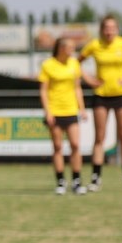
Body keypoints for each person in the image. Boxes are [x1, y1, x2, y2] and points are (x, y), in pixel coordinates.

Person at [79, 15, 122, 192]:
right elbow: (76, 62)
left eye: (112, 28)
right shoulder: (94, 45)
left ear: (117, 29)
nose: (109, 31)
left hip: (121, 95)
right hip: (101, 95)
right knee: (100, 137)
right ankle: (96, 178)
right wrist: (88, 79)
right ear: (102, 29)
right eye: (106, 28)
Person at [38, 36, 89, 195]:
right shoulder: (48, 65)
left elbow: (77, 88)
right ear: (61, 48)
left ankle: (76, 180)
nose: (73, 51)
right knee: (58, 147)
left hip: (71, 110)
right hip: (55, 110)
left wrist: (82, 108)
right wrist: (48, 111)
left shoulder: (74, 64)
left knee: (75, 145)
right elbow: (43, 90)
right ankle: (60, 181)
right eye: (70, 47)